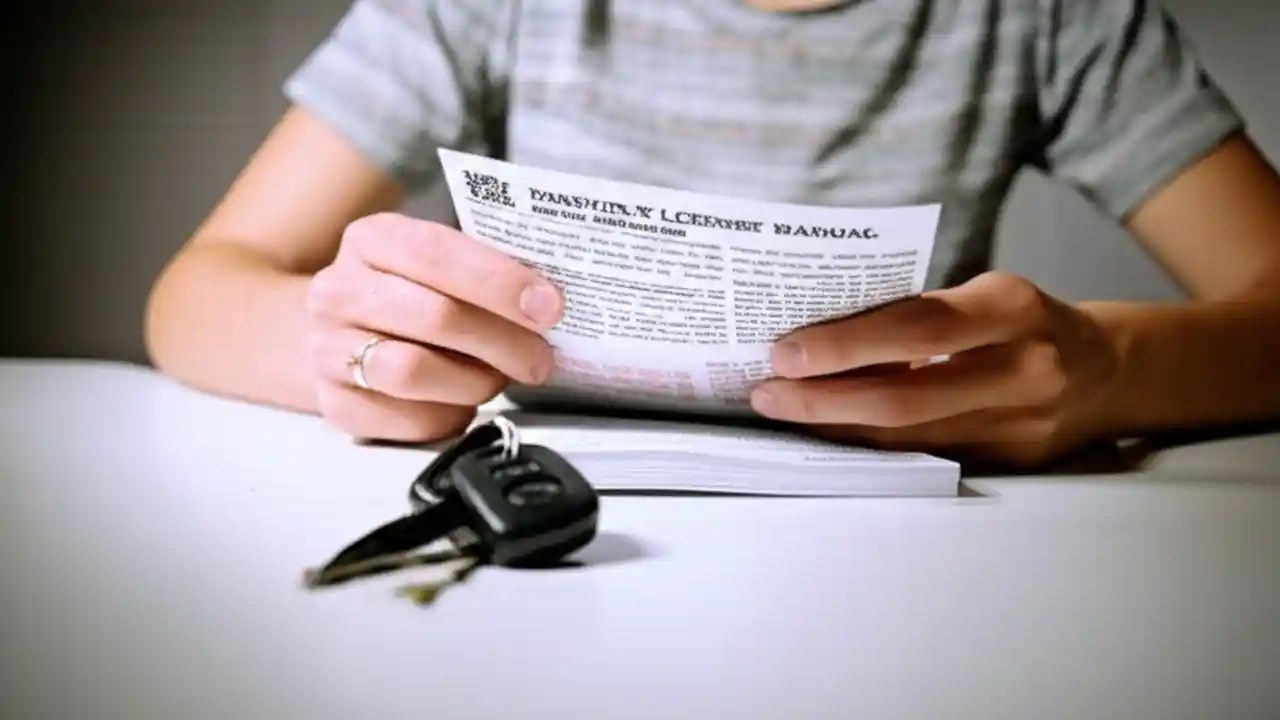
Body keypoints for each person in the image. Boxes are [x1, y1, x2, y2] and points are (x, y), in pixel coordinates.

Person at [144, 0, 1280, 468]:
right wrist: (352, 350)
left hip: (908, 568)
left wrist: (1105, 375)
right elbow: (194, 292)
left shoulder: (1048, 17)